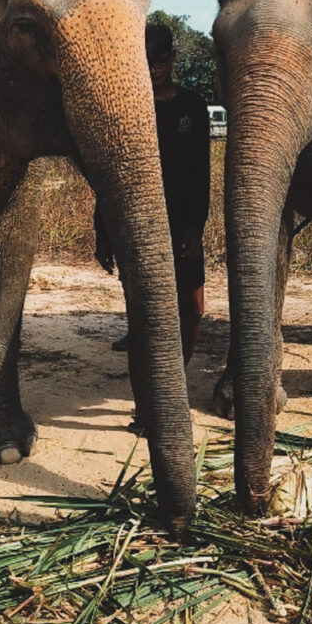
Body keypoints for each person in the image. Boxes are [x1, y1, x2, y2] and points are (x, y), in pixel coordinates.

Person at [96, 23, 211, 367]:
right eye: (145, 61)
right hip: (137, 222)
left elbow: (200, 171)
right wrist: (103, 234)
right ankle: (150, 393)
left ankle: (177, 375)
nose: (153, 68)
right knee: (145, 311)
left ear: (173, 58)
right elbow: (106, 175)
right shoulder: (124, 107)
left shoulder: (193, 107)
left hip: (181, 221)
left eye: (160, 59)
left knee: (193, 307)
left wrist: (196, 227)